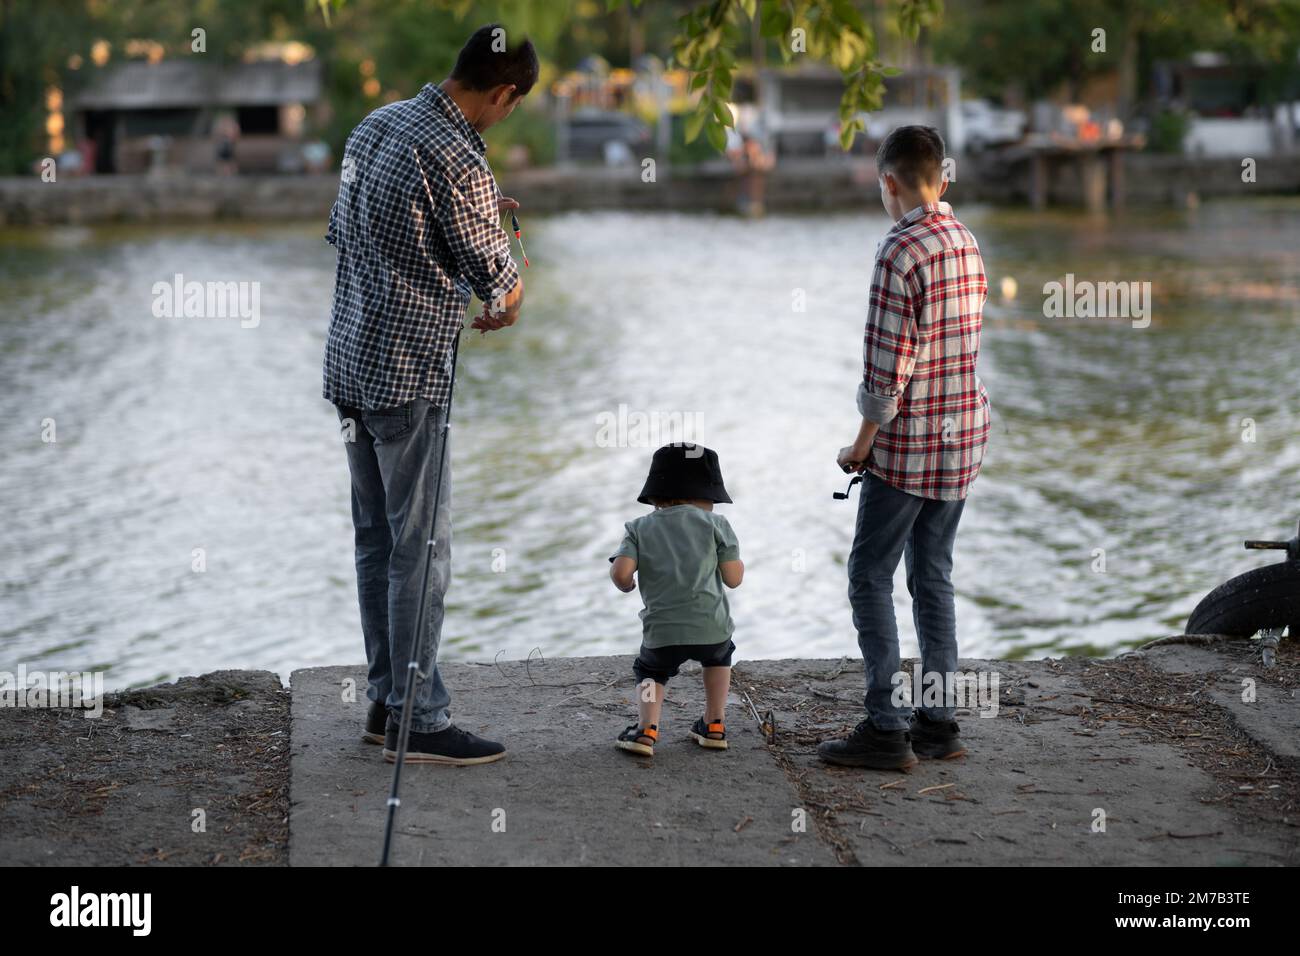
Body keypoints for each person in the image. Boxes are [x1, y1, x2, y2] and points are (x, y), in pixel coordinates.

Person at [322, 24, 537, 765]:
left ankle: (385, 704)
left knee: (377, 540)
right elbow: (499, 286)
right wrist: (511, 291)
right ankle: (421, 716)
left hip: (350, 366)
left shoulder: (375, 125)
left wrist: (476, 204)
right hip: (410, 377)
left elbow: (354, 230)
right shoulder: (457, 154)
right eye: (511, 106)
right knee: (423, 549)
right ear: (504, 93)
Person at [819, 125, 991, 770]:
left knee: (869, 576)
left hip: (911, 444)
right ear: (941, 178)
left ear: (888, 182)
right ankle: (939, 724)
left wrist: (860, 444)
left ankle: (886, 729)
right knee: (934, 576)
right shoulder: (966, 241)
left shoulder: (899, 251)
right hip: (963, 437)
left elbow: (886, 375)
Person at [608, 445, 744, 757]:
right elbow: (734, 579)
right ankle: (714, 724)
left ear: (655, 495)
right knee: (720, 658)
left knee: (649, 671)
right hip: (713, 629)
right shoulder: (717, 525)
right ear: (705, 496)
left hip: (662, 633)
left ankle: (645, 731)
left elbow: (621, 572)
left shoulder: (638, 528)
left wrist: (627, 585)